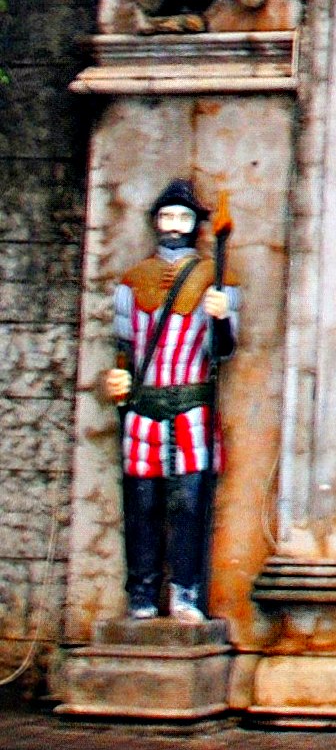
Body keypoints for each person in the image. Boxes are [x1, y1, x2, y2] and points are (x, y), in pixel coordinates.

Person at [101, 179, 237, 623]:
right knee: (141, 505)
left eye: (182, 217)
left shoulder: (213, 281)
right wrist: (119, 380)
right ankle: (141, 591)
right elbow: (123, 345)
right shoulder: (132, 281)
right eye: (167, 216)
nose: (174, 226)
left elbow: (221, 351)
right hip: (144, 409)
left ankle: (185, 591)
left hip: (191, 410)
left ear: (196, 224)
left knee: (188, 505)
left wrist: (221, 320)